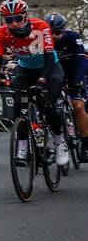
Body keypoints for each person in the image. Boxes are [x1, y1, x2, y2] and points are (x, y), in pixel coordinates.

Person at [0, 0, 68, 167]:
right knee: (18, 108)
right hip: (25, 70)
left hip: (49, 68)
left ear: (25, 16)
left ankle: (59, 141)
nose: (14, 23)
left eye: (18, 18)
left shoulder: (41, 27)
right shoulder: (2, 33)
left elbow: (49, 56)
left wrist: (42, 80)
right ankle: (23, 147)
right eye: (9, 20)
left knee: (47, 104)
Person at [47, 13, 88, 160]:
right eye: (51, 32)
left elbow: (81, 61)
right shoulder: (44, 40)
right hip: (55, 74)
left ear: (64, 30)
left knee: (78, 106)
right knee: (48, 108)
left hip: (73, 72)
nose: (54, 36)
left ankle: (85, 144)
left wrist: (77, 81)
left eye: (57, 32)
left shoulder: (73, 36)